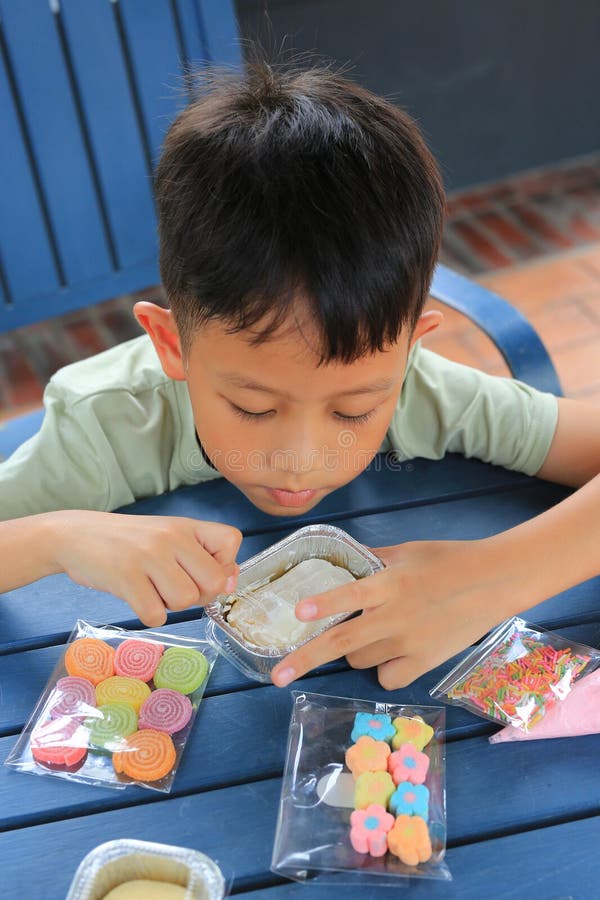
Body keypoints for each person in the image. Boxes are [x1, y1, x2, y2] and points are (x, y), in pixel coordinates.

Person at [1, 64, 598, 690]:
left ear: (408, 353)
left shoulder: (422, 391)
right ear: (172, 346)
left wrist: (493, 577)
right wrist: (56, 536)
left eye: (353, 411)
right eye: (254, 408)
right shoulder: (107, 424)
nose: (301, 461)